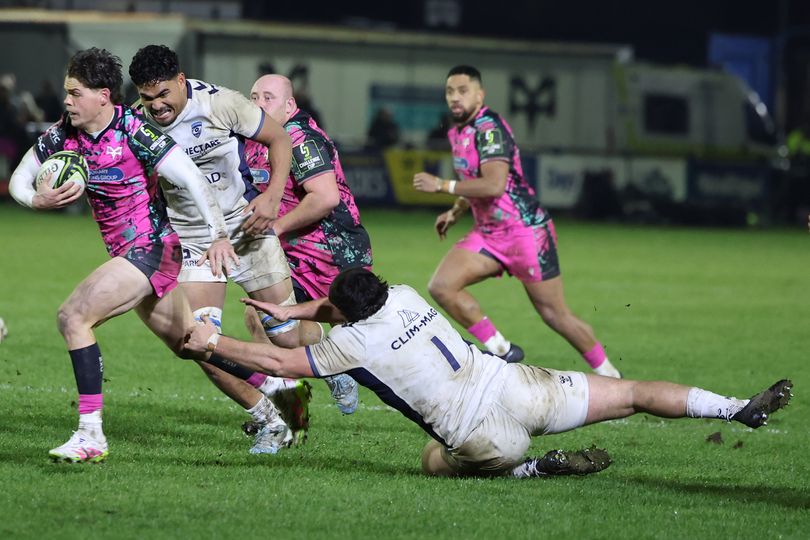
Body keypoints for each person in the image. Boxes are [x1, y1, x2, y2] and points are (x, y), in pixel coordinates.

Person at [183, 268, 793, 478]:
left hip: (481, 435)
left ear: (342, 311)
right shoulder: (401, 296)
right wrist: (295, 306)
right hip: (518, 387)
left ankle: (528, 469)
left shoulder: (349, 348)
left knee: (431, 459)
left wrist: (212, 343)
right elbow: (339, 305)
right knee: (632, 392)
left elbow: (276, 360)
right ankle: (733, 406)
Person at [8, 47, 241, 462]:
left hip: (153, 248)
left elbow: (191, 178)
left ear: (102, 95)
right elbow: (19, 180)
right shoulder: (65, 133)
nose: (66, 100)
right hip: (130, 252)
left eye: (74, 93)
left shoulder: (135, 130)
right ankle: (276, 397)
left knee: (73, 316)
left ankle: (90, 433)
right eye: (66, 91)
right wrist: (35, 200)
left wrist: (218, 235)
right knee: (191, 343)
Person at [129, 44, 324, 453]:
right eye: (148, 99)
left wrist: (272, 196)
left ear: (181, 81)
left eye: (164, 94)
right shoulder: (136, 122)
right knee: (198, 341)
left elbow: (280, 138)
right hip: (194, 239)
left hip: (245, 226)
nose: (157, 106)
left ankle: (336, 358)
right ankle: (271, 418)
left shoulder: (222, 104)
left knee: (286, 334)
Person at [413, 65, 621, 378]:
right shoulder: (457, 131)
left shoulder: (489, 129)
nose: (455, 98)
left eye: (462, 90)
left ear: (480, 94)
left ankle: (610, 375)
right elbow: (474, 179)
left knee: (554, 314)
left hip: (525, 233)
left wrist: (442, 186)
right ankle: (501, 350)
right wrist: (456, 210)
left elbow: (494, 185)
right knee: (442, 286)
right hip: (488, 234)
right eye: (449, 92)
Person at [240, 74, 374, 413]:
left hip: (332, 250)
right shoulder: (256, 139)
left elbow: (326, 198)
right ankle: (290, 411)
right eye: (253, 96)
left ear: (289, 106)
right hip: (293, 253)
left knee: (362, 332)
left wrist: (277, 228)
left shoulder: (300, 138)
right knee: (261, 317)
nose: (257, 104)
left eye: (267, 97)